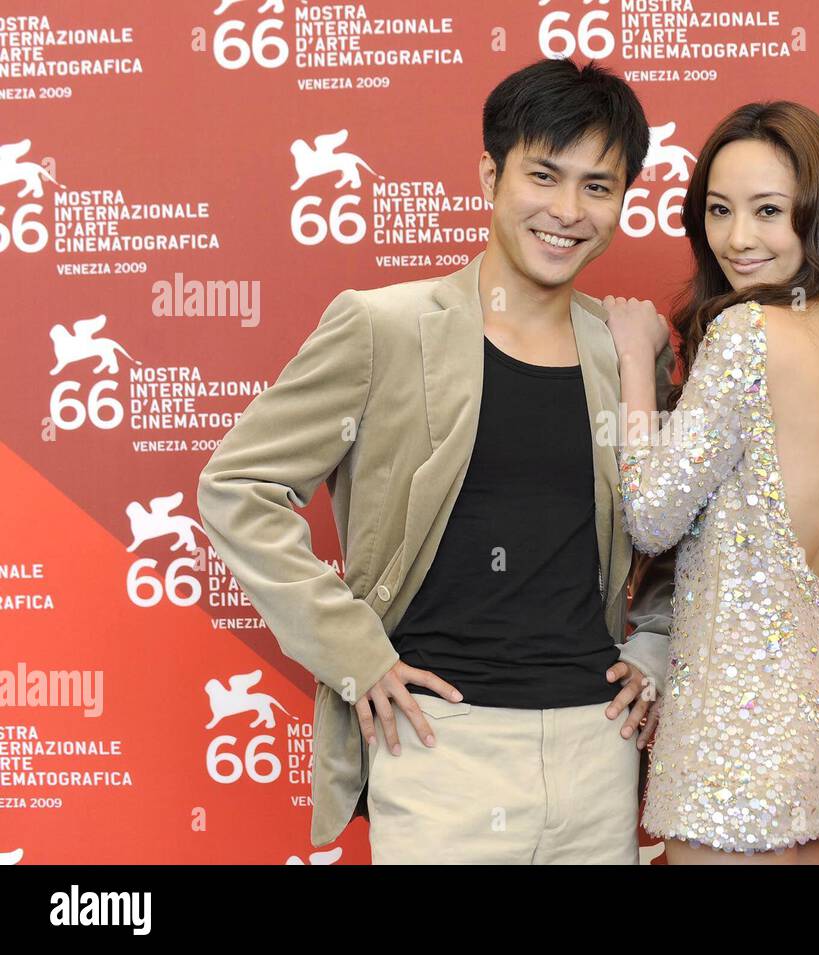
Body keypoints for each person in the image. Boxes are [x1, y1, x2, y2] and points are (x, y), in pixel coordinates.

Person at [196, 57, 676, 864]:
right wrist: (357, 653)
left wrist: (655, 643)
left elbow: (671, 524)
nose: (568, 210)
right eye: (544, 175)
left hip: (598, 750)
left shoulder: (627, 349)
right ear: (490, 174)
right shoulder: (383, 328)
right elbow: (238, 486)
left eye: (598, 186)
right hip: (437, 746)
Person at [603, 101, 819, 864]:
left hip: (724, 758)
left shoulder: (747, 333)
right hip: (806, 754)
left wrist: (633, 362)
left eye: (769, 212)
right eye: (720, 209)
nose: (738, 237)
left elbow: (650, 516)